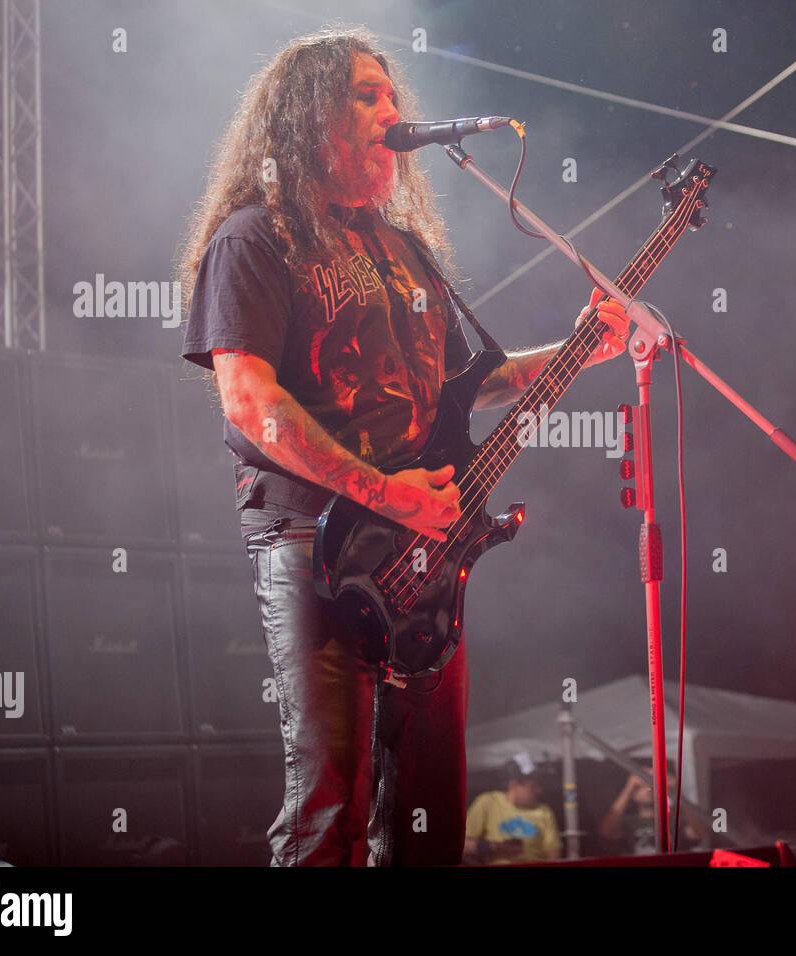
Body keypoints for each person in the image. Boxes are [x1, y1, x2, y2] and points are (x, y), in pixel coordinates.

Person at [177, 26, 630, 866]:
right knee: (332, 805)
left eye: (394, 94)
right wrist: (388, 496)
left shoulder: (403, 249)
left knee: (428, 808)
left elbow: (469, 387)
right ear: (310, 119)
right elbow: (251, 403)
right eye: (367, 95)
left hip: (424, 549)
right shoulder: (254, 237)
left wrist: (580, 350)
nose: (394, 111)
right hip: (318, 541)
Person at [463, 754, 562, 864]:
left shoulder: (544, 811)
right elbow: (462, 845)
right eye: (533, 786)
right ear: (514, 785)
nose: (539, 791)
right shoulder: (488, 802)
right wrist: (494, 847)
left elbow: (554, 853)